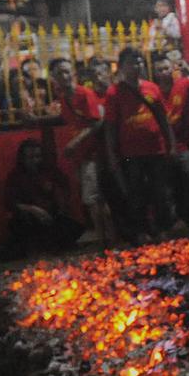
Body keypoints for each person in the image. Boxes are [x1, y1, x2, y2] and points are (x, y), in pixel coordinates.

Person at [103, 47, 177, 243]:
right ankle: (141, 231)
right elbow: (110, 127)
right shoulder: (113, 93)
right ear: (121, 67)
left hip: (156, 149)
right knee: (135, 193)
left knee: (160, 191)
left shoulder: (152, 88)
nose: (136, 66)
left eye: (139, 62)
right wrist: (112, 155)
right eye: (131, 62)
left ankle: (163, 229)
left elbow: (163, 119)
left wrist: (172, 144)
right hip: (130, 153)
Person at [50, 58, 112, 245]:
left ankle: (105, 238)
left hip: (93, 153)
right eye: (60, 73)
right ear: (54, 78)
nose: (65, 76)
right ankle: (106, 237)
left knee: (93, 198)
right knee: (95, 198)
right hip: (81, 155)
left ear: (73, 73)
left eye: (67, 71)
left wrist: (74, 143)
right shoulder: (64, 98)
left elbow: (96, 122)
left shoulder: (84, 93)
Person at [4, 139, 83, 255]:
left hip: (50, 214)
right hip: (28, 217)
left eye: (37, 156)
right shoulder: (15, 175)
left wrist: (62, 204)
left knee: (73, 228)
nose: (35, 161)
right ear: (22, 158)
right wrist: (33, 209)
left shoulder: (48, 170)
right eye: (30, 157)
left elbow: (65, 184)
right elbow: (9, 202)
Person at [154, 50, 189, 228]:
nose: (164, 72)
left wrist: (188, 68)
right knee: (167, 186)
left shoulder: (183, 84)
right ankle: (173, 221)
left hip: (184, 145)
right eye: (160, 69)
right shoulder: (153, 92)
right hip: (162, 147)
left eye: (166, 68)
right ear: (155, 73)